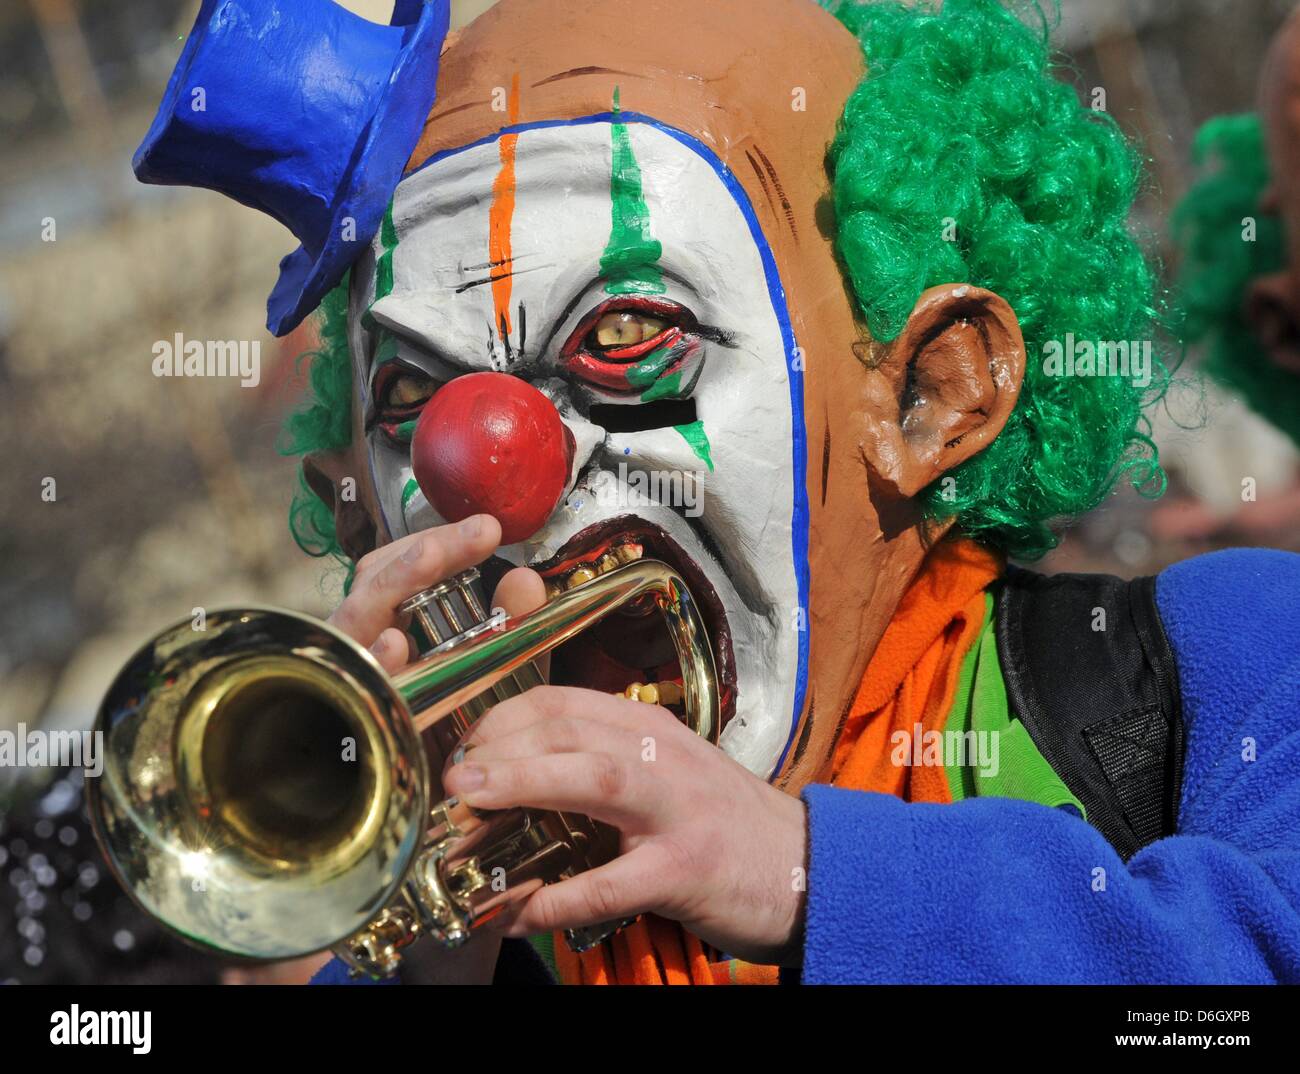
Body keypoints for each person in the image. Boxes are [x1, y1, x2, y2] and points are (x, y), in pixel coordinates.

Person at [128, 0, 1300, 984]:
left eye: (630, 331)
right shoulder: (456, 930)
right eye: (408, 399)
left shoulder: (1228, 660)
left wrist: (798, 871)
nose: (483, 460)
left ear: (930, 393)